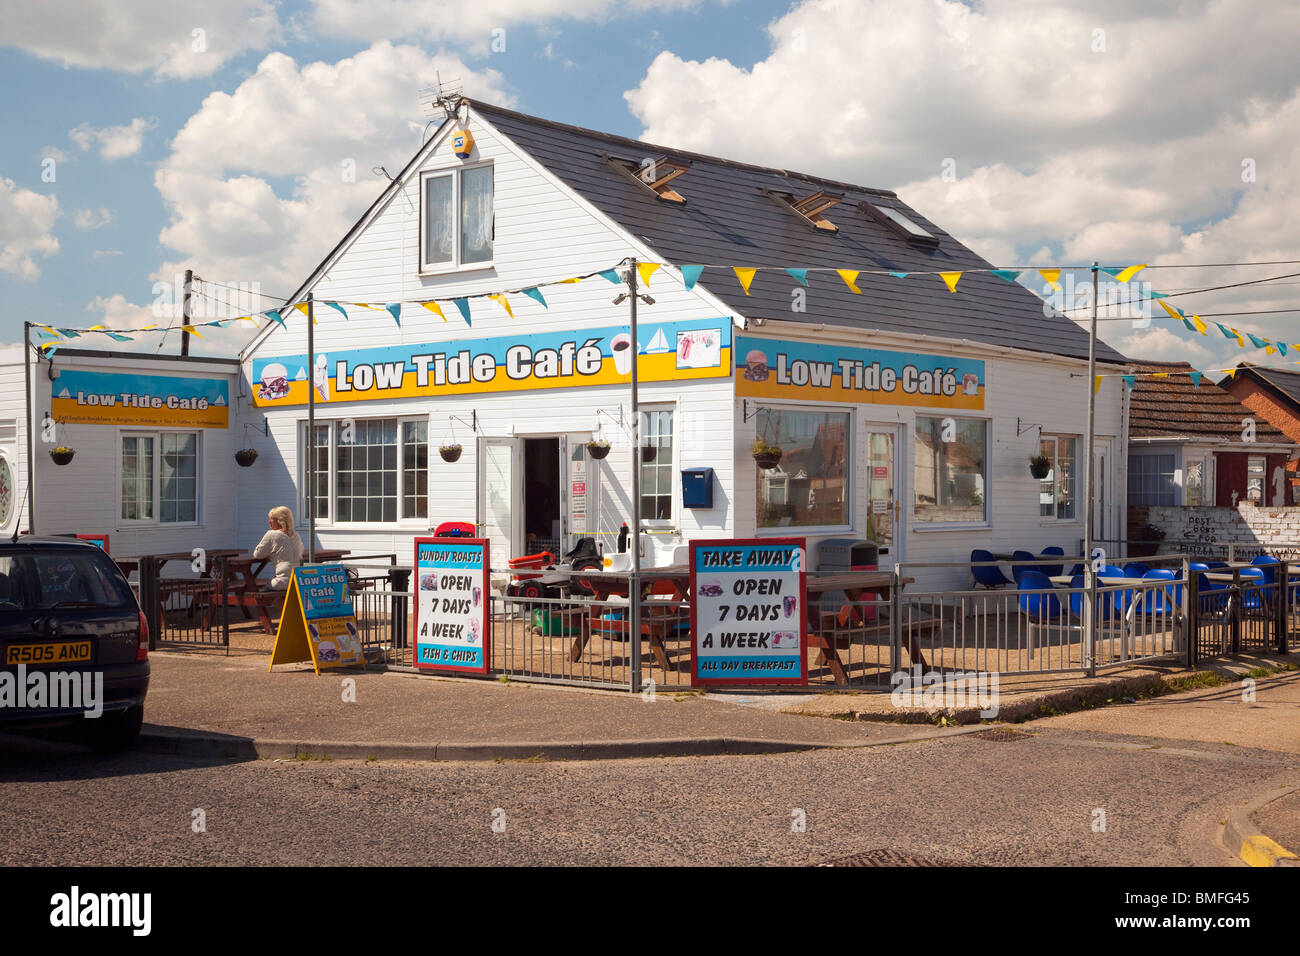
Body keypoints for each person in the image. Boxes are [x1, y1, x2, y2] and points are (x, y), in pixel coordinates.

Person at [254, 506, 305, 590]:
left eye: (272, 519)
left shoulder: (271, 534)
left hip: (283, 581)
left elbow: (257, 554)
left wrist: (270, 553)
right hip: (299, 580)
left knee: (263, 588)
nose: (269, 521)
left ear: (280, 521)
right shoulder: (296, 535)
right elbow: (301, 550)